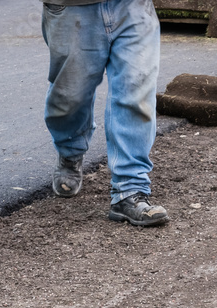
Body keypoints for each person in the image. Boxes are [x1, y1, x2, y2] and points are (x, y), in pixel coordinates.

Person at [42, 0, 169, 227]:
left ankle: (129, 190)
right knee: (69, 98)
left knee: (136, 93)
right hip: (72, 6)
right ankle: (70, 150)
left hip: (134, 6)